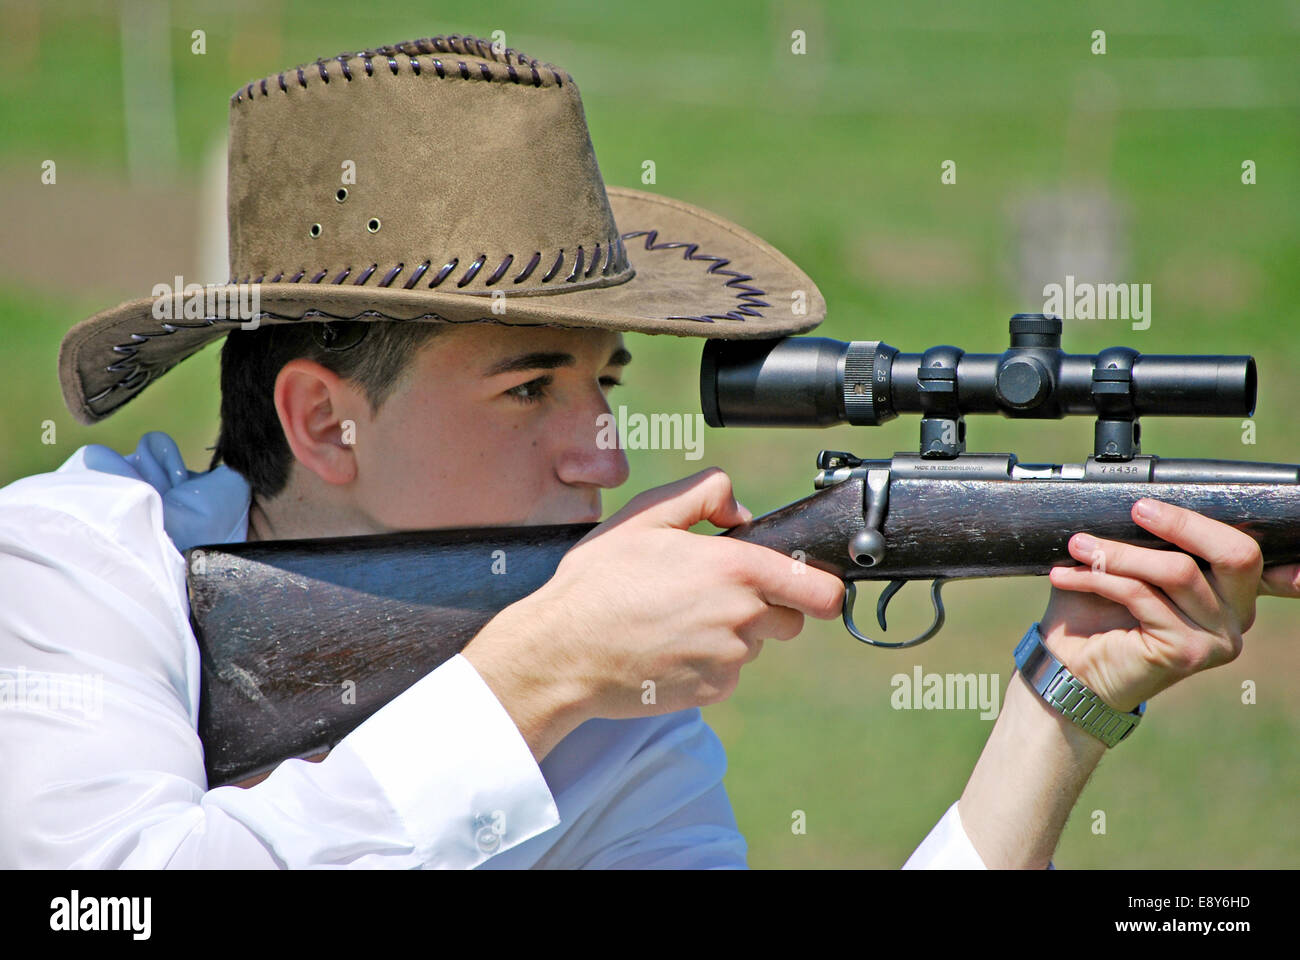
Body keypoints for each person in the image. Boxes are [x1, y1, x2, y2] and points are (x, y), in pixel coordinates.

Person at [2, 34, 1295, 869]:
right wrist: (531, 678)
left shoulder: (615, 715)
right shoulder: (72, 566)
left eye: (604, 384)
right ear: (324, 421)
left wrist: (1062, 707)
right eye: (529, 389)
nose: (606, 459)